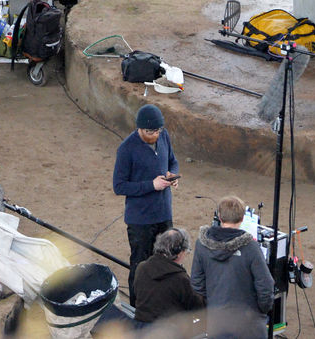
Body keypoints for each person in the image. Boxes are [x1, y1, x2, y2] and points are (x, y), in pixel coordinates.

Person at [113, 103, 179, 308]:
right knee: (140, 266)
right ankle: (137, 307)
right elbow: (119, 186)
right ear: (139, 129)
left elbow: (172, 161)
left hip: (163, 214)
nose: (155, 135)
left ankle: (162, 304)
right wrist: (151, 185)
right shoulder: (126, 149)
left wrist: (171, 174)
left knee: (167, 261)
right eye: (150, 132)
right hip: (140, 221)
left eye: (157, 131)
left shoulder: (164, 137)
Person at [191, 196, 274, 339]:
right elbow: (266, 286)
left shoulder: (201, 245)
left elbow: (197, 284)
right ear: (242, 219)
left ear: (220, 217)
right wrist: (260, 312)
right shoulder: (250, 247)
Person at [132, 228, 205, 332]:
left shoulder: (141, 267)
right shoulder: (181, 279)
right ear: (179, 253)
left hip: (140, 328)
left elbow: (136, 293)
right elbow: (198, 308)